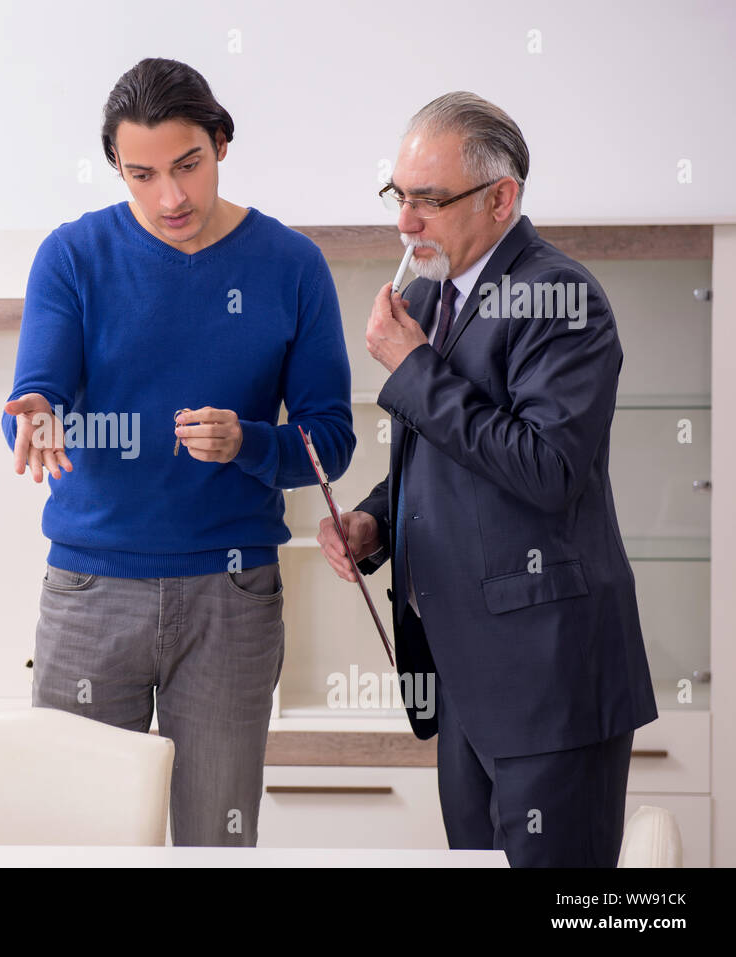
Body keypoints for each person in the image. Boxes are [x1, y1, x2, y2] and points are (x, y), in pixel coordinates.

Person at [1, 57, 355, 846]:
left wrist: (249, 442)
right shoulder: (73, 256)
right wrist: (31, 417)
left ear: (222, 143)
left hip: (231, 597)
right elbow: (36, 398)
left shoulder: (291, 265)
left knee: (217, 844)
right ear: (117, 170)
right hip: (91, 592)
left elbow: (330, 442)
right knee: (79, 841)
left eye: (188, 165)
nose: (170, 197)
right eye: (143, 174)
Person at [318, 91, 657, 866]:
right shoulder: (424, 295)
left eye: (429, 201)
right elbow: (440, 462)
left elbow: (547, 468)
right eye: (399, 196)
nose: (406, 222)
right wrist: (374, 521)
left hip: (549, 682)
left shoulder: (563, 299)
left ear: (502, 198)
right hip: (461, 675)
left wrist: (414, 371)